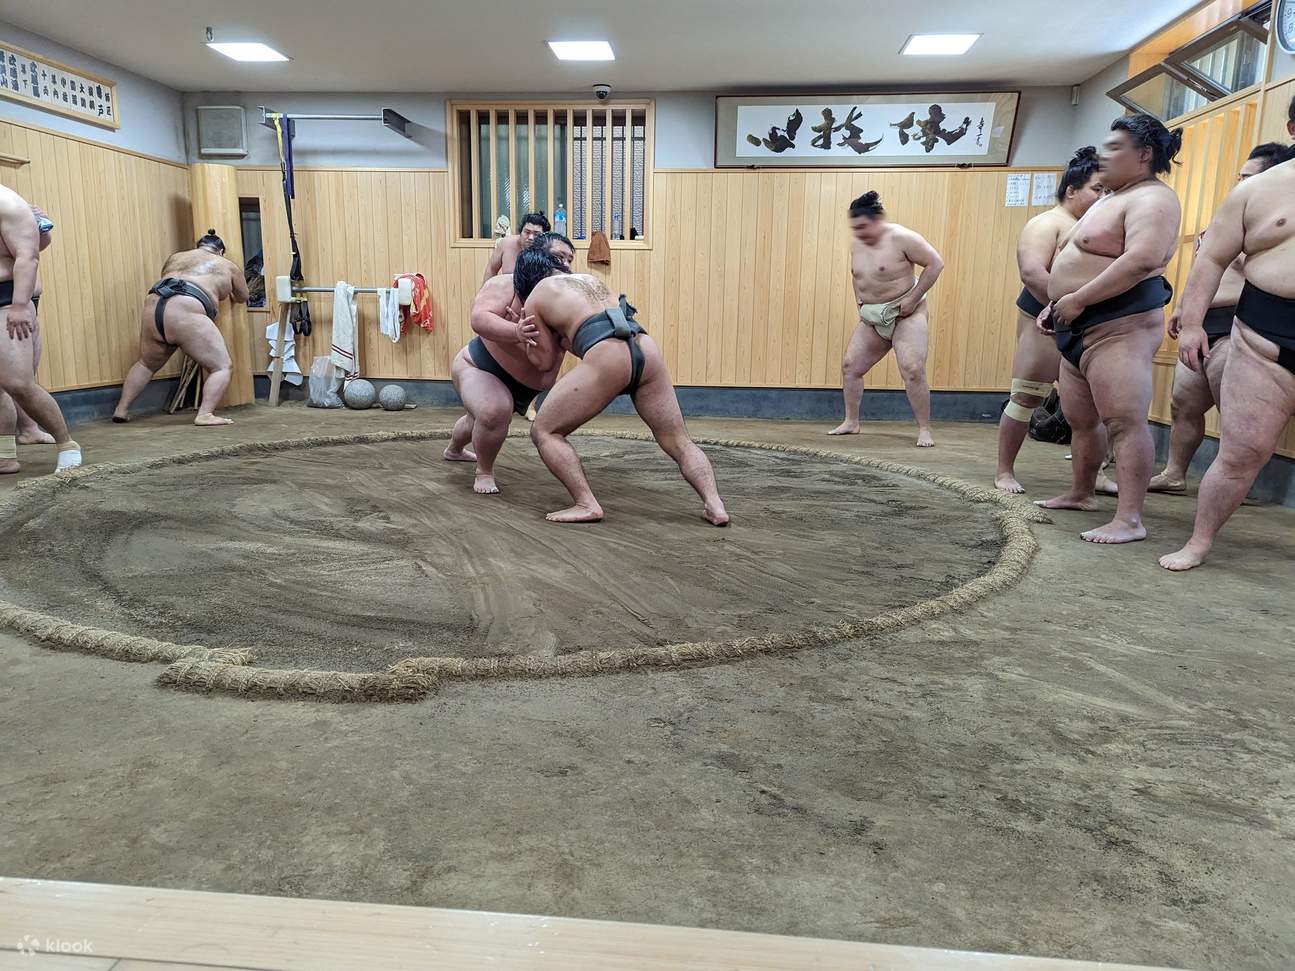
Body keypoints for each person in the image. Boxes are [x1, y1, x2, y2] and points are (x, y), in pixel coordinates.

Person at [1035, 114, 1183, 544]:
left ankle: (1130, 519)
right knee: (1081, 419)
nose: (1103, 155)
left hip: (1119, 325)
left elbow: (1141, 260)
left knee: (1124, 420)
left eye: (1115, 147)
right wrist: (1057, 304)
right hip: (1077, 324)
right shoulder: (1113, 197)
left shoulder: (1154, 199)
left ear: (1144, 154)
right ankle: (1082, 493)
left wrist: (1079, 298)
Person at [513, 247, 729, 526]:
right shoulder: (588, 280)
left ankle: (586, 503)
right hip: (645, 348)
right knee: (679, 440)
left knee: (544, 431)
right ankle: (715, 505)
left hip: (608, 356)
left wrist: (522, 335)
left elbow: (543, 363)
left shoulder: (536, 295)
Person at [1159, 145, 1295, 571]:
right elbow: (1212, 258)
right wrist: (1193, 323)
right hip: (1263, 335)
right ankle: (1199, 542)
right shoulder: (1257, 190)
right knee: (1241, 452)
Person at [994, 146, 1107, 493]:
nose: (1103, 196)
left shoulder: (1100, 225)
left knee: (1093, 405)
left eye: (1107, 190)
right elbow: (1032, 272)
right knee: (1027, 395)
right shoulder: (1046, 223)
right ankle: (1004, 471)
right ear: (1071, 190)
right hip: (1044, 317)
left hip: (1091, 320)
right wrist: (1062, 306)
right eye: (1097, 189)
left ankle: (1095, 475)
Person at [444, 232, 575, 494]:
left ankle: (454, 450)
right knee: (494, 410)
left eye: (570, 260)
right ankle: (484, 471)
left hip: (527, 387)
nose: (566, 265)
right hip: (479, 366)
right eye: (559, 257)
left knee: (476, 420)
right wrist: (515, 331)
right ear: (537, 255)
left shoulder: (568, 299)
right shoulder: (506, 284)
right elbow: (479, 318)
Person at [829, 191, 944, 446]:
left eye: (863, 227)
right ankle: (851, 422)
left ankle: (924, 429)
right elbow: (856, 275)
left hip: (906, 313)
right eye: (855, 228)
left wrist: (913, 299)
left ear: (878, 220)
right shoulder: (857, 244)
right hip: (874, 316)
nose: (859, 233)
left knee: (912, 369)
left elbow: (935, 264)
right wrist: (858, 301)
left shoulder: (902, 238)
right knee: (851, 367)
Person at [111, 230, 248, 427]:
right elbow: (243, 296)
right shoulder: (227, 265)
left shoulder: (175, 258)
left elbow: (170, 280)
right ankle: (205, 414)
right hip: (186, 308)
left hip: (155, 304)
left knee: (146, 364)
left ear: (198, 246)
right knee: (221, 367)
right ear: (220, 251)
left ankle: (121, 410)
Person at [0, 186, 80, 474]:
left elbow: (28, 255)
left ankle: (67, 445)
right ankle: (5, 457)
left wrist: (21, 305)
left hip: (7, 301)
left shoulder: (7, 202)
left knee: (19, 383)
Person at [481, 212, 551, 284]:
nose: (530, 237)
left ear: (544, 237)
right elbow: (491, 269)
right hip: (508, 288)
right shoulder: (506, 243)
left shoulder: (549, 249)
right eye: (527, 232)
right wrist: (486, 290)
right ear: (521, 232)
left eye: (536, 234)